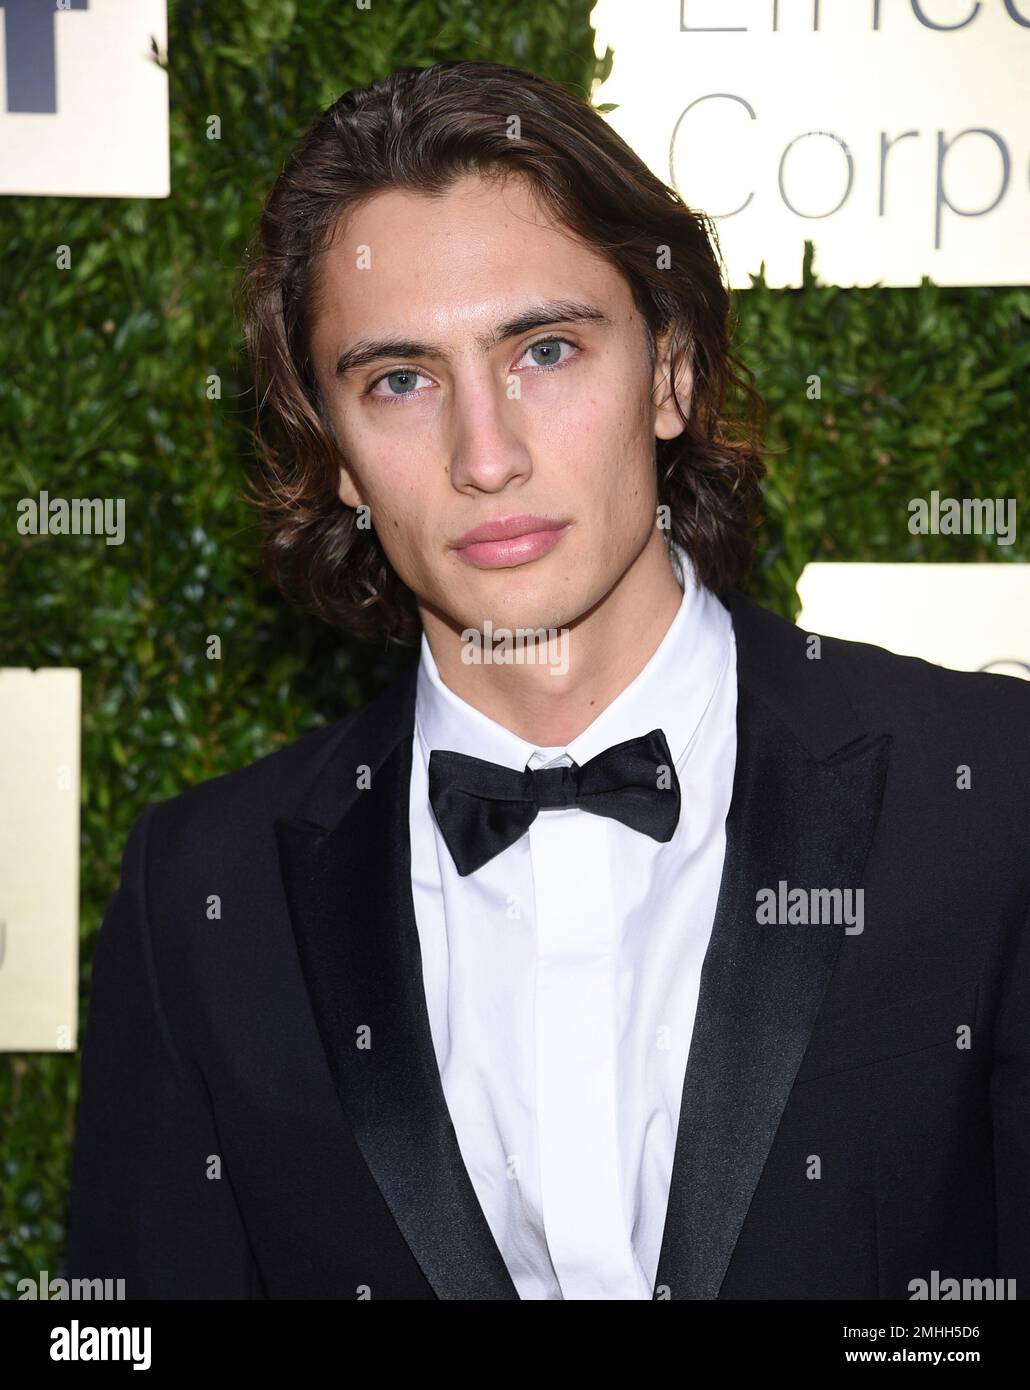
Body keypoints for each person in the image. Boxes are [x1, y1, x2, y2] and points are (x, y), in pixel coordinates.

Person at [65, 60, 1029, 1301]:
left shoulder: (990, 797)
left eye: (547, 349)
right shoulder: (201, 894)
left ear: (670, 371)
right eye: (400, 381)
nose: (485, 454)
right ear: (336, 455)